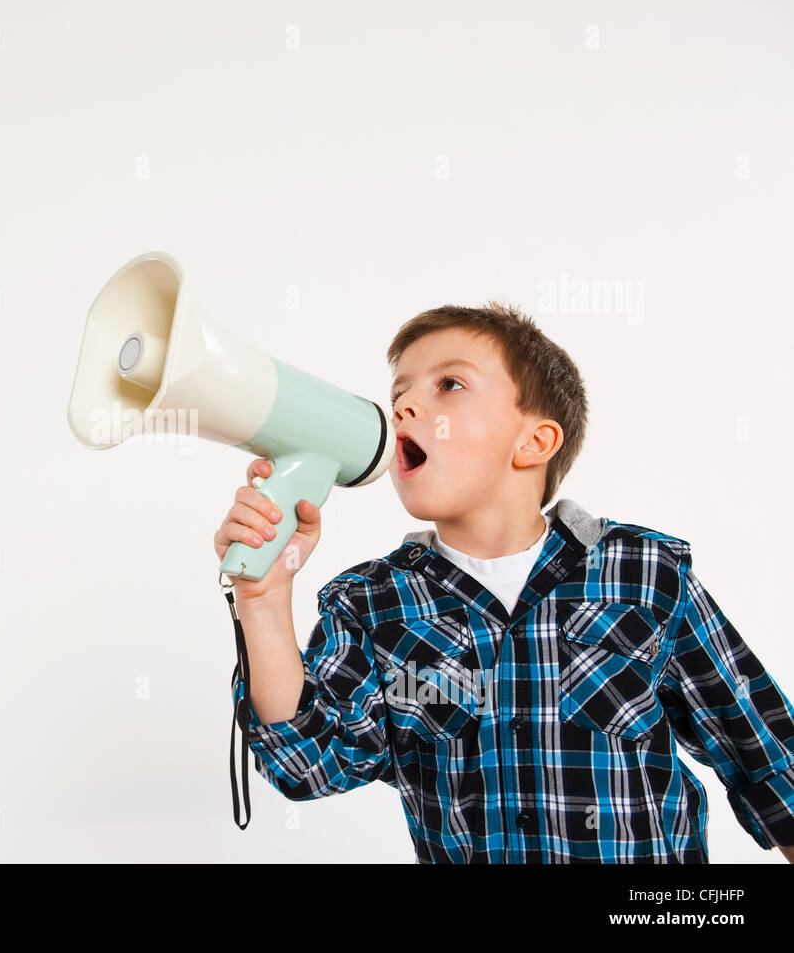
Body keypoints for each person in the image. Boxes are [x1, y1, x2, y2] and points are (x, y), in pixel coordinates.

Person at [218, 302, 794, 862]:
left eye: (449, 385)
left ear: (535, 442)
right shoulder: (372, 603)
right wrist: (264, 600)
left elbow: (764, 753)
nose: (402, 408)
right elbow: (307, 764)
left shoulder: (644, 573)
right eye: (398, 394)